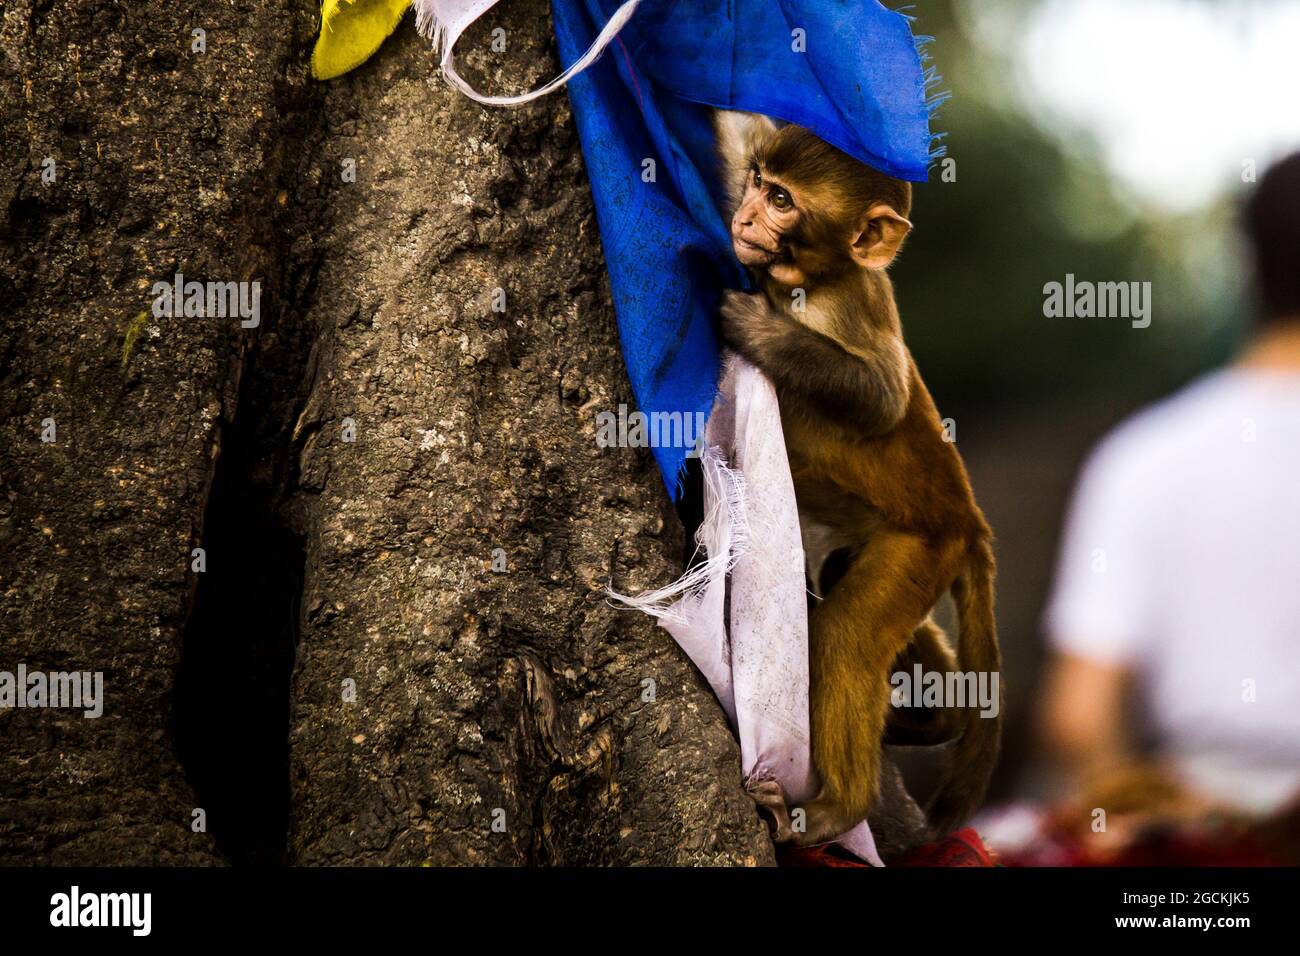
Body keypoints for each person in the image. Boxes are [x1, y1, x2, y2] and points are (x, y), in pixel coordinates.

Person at [1040, 151, 1300, 824]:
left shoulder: (1145, 458)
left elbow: (1078, 716)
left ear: (1248, 265)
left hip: (1208, 826)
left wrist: (1141, 812)